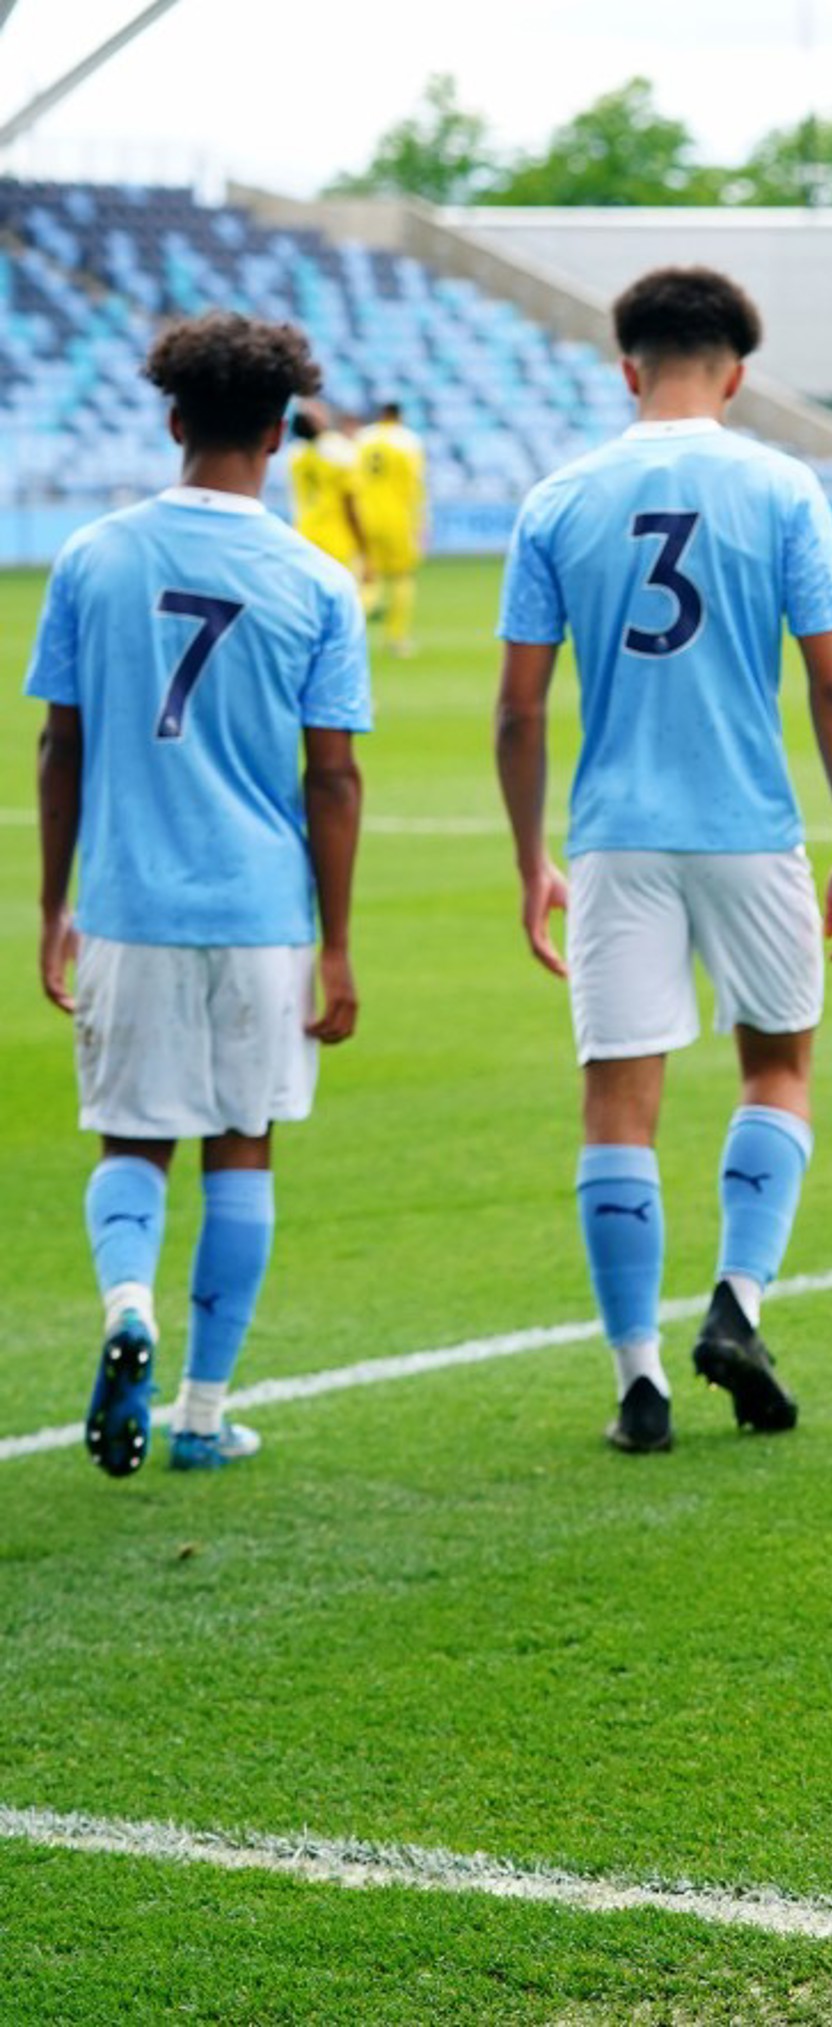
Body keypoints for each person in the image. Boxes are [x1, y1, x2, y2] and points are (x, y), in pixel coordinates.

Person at [494, 265, 832, 1456]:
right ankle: (738, 1303)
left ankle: (639, 1383)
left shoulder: (559, 497)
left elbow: (518, 707)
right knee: (779, 1068)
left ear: (627, 367)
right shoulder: (782, 485)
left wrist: (530, 858)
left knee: (619, 1100)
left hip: (615, 835)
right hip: (750, 827)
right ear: (737, 373)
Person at [27, 312, 369, 1477]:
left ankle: (129, 1303)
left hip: (129, 903)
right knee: (242, 1143)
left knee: (132, 1137)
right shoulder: (316, 580)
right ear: (279, 433)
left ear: (173, 419)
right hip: (260, 912)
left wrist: (53, 906)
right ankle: (203, 1416)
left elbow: (60, 747)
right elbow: (333, 775)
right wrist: (337, 943)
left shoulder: (92, 556)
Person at [355, 400, 428, 656]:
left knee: (367, 575)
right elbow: (415, 485)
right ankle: (396, 638)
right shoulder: (408, 441)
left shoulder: (363, 438)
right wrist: (420, 523)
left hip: (365, 515)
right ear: (400, 416)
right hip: (397, 518)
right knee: (402, 576)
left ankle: (356, 625)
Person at [287, 403, 370, 587]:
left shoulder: (297, 454)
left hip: (305, 535)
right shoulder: (339, 452)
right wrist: (364, 547)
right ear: (316, 423)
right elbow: (350, 504)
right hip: (335, 539)